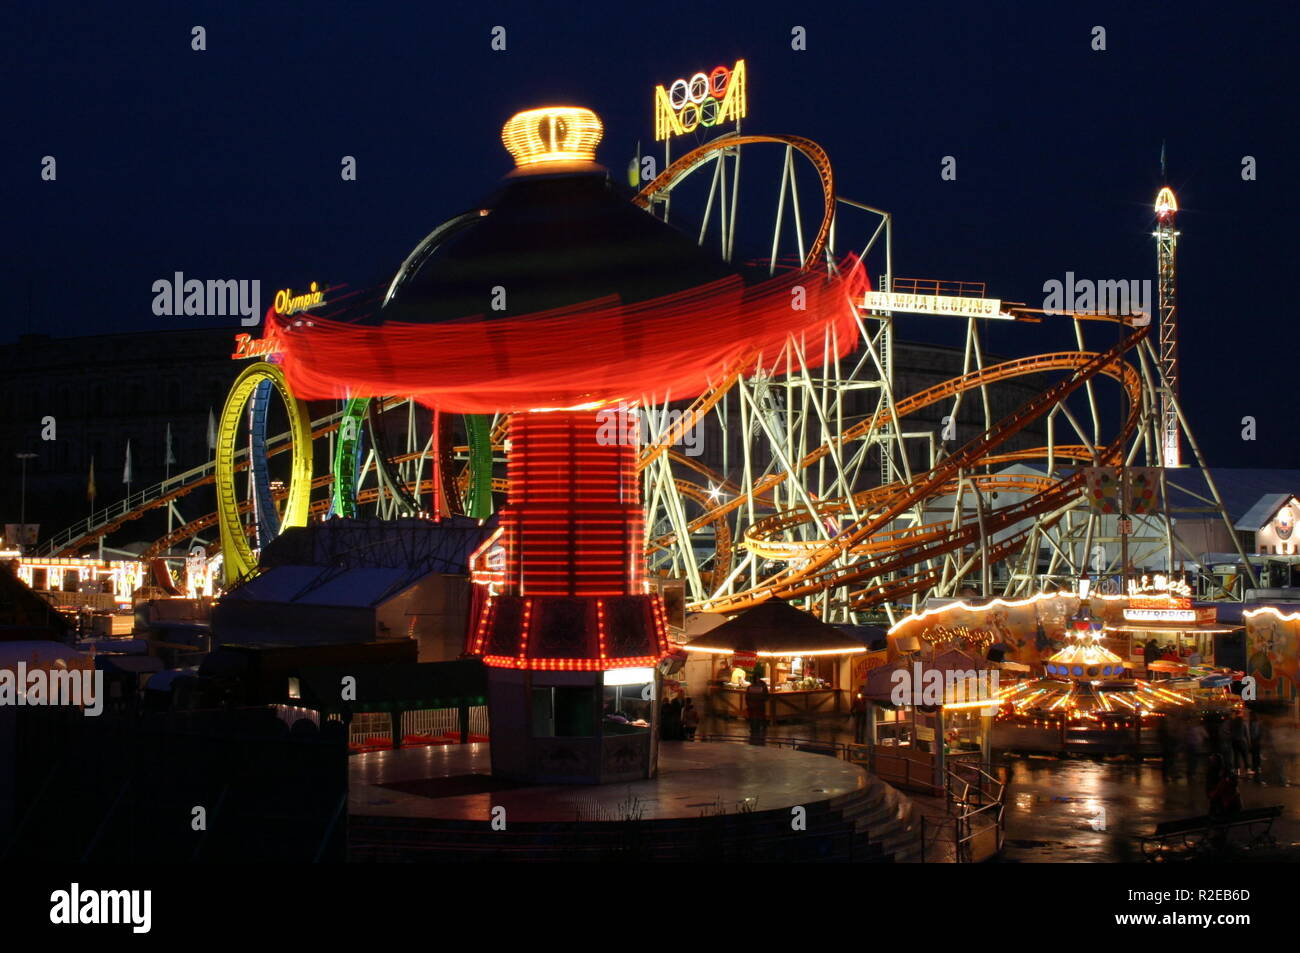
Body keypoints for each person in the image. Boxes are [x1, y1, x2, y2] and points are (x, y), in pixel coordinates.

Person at [745, 669, 770, 744]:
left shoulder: (751, 687)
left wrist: (749, 703)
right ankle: (756, 730)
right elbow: (766, 695)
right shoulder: (762, 686)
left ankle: (755, 730)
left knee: (755, 718)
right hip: (757, 706)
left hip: (755, 706)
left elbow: (747, 696)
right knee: (757, 717)